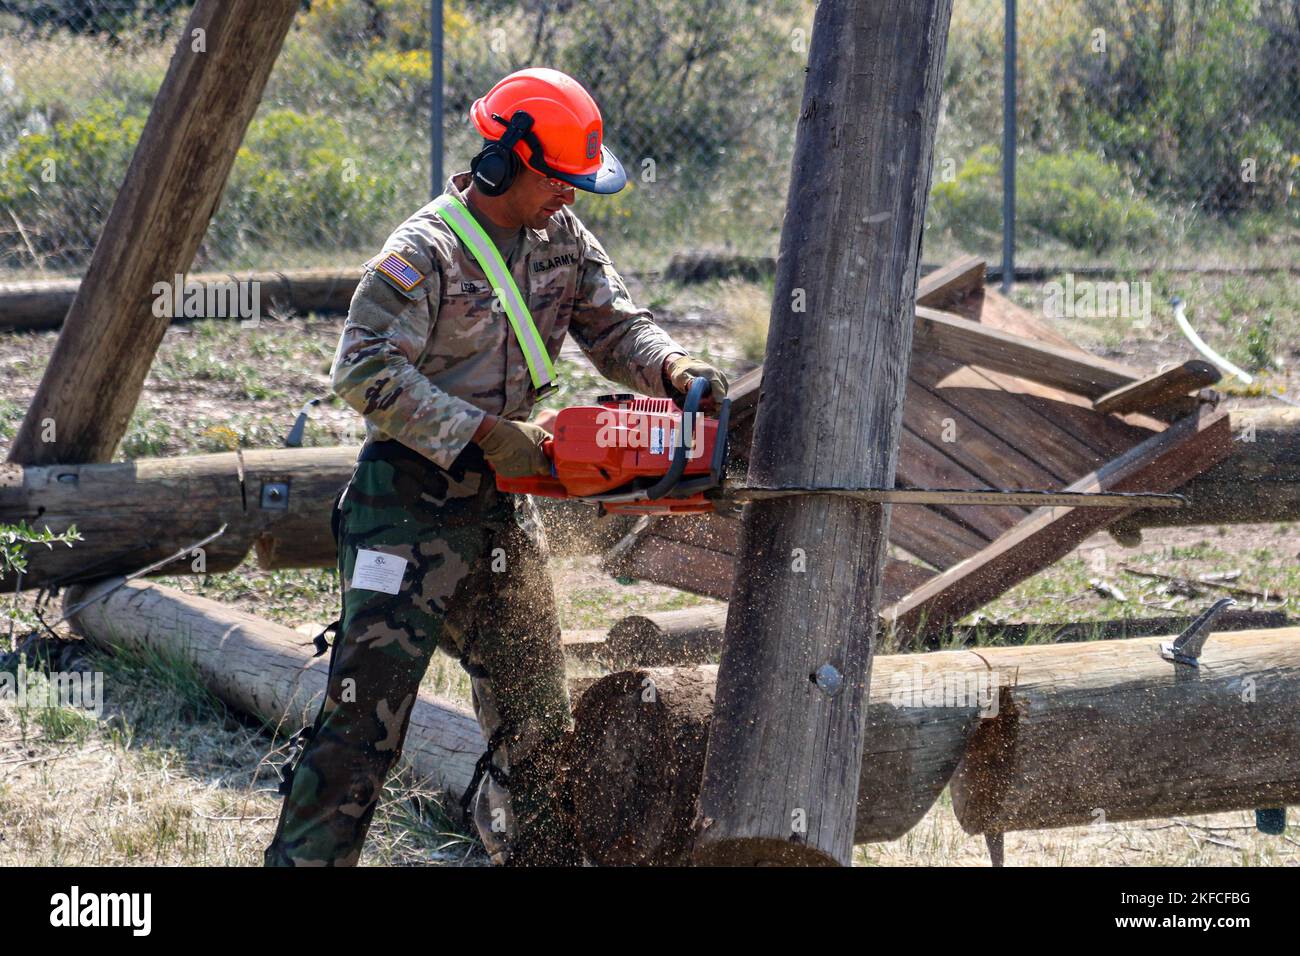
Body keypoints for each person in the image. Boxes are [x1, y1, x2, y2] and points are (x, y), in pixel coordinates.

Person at [263, 67, 728, 866]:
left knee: (538, 717)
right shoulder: (426, 251)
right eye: (560, 179)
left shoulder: (563, 239)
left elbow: (617, 327)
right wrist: (484, 431)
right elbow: (362, 370)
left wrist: (676, 371)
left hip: (503, 505)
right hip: (404, 505)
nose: (571, 198)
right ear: (501, 163)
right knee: (363, 725)